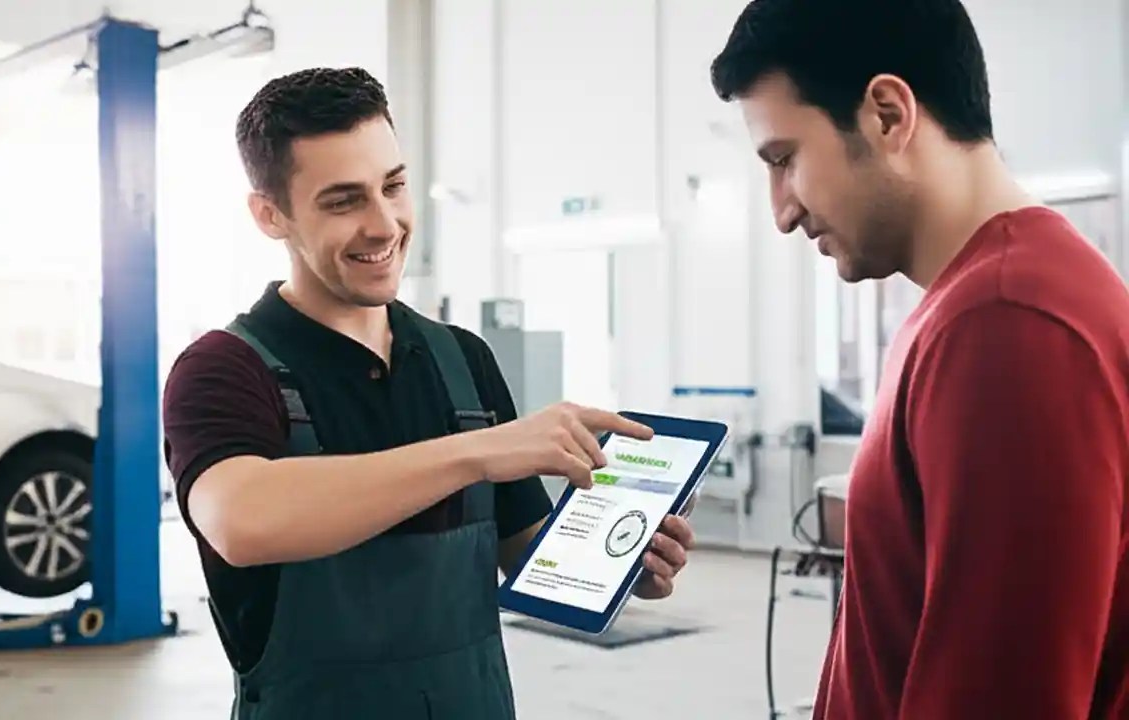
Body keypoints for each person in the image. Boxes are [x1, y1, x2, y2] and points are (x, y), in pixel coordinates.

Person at [161, 67, 696, 719]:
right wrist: (476, 453)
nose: (385, 225)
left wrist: (622, 561)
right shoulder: (223, 368)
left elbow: (527, 557)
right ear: (270, 215)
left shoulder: (462, 360)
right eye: (343, 200)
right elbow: (242, 521)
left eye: (394, 187)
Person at [712, 1, 1129, 718]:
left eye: (785, 160)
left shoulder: (1008, 324)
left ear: (886, 114)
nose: (780, 210)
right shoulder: (974, 302)